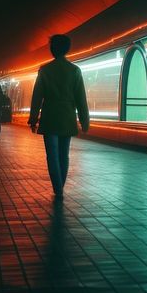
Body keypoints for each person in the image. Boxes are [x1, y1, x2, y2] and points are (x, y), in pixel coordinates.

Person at [28, 34, 89, 197]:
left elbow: (37, 97)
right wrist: (85, 121)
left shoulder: (45, 70)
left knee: (52, 155)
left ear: (52, 49)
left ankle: (57, 188)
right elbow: (81, 99)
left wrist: (33, 119)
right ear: (67, 49)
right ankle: (60, 186)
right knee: (64, 154)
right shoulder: (74, 71)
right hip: (67, 117)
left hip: (49, 117)